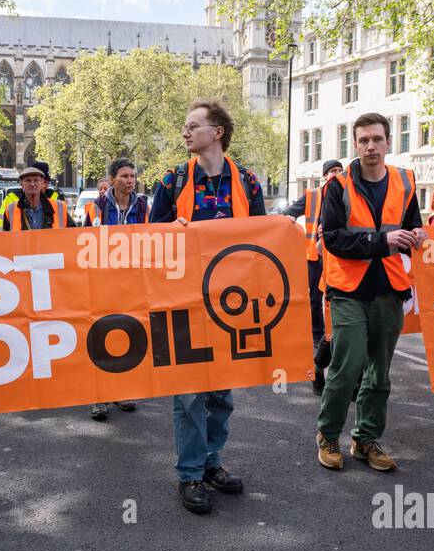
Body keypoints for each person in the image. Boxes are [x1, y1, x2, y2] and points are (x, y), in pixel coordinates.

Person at [149, 99, 265, 514]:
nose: (185, 132)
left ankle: (212, 462)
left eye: (192, 125)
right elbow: (149, 236)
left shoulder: (248, 183)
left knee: (221, 394)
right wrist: (169, 229)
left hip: (229, 306)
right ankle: (190, 474)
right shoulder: (172, 179)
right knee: (189, 397)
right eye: (185, 126)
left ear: (216, 132)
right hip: (181, 303)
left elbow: (262, 242)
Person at [314, 113, 425, 474]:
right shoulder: (337, 186)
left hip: (389, 289)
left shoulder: (405, 181)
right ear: (355, 144)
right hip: (347, 289)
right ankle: (329, 435)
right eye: (363, 140)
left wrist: (417, 237)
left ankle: (365, 439)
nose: (371, 146)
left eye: (377, 139)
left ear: (388, 142)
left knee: (379, 373)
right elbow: (331, 238)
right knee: (347, 367)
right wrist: (382, 241)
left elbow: (412, 226)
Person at [86, 158, 149, 421]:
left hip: (131, 280)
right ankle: (98, 396)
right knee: (100, 333)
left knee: (127, 332)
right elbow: (84, 241)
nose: (130, 180)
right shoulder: (96, 207)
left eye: (133, 176)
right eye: (124, 176)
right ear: (112, 179)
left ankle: (123, 391)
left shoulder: (144, 206)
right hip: (102, 279)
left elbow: (154, 237)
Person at [282, 159, 344, 349]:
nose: (336, 173)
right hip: (315, 256)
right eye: (332, 171)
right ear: (325, 176)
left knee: (339, 297)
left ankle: (338, 335)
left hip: (339, 255)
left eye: (339, 170)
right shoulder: (313, 196)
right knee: (315, 298)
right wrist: (291, 222)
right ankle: (318, 335)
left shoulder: (349, 193)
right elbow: (288, 212)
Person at [0, 161, 70, 230]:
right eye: (28, 180)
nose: (32, 184)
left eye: (36, 180)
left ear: (42, 182)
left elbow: (74, 235)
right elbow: (3, 238)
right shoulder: (11, 209)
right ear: (21, 184)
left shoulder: (60, 207)